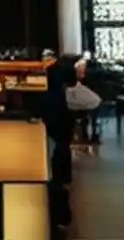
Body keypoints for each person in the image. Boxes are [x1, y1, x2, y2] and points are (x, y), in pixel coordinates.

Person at [43, 57, 77, 230]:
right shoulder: (63, 90)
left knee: (53, 172)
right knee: (57, 172)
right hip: (61, 133)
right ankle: (61, 216)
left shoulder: (51, 88)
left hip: (54, 132)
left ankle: (58, 215)